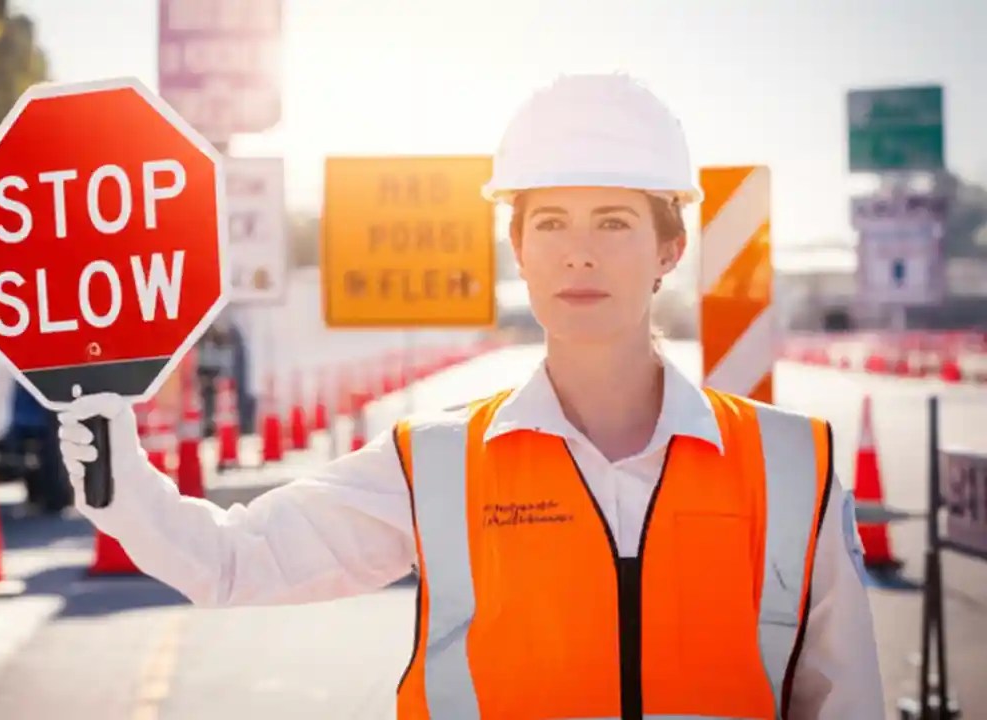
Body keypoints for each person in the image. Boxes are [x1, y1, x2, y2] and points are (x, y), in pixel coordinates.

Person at [58, 73, 884, 719]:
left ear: (670, 248)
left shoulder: (788, 465)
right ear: (518, 249)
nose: (580, 255)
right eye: (551, 223)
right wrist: (121, 482)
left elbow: (847, 704)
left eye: (614, 222)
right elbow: (235, 562)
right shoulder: (437, 466)